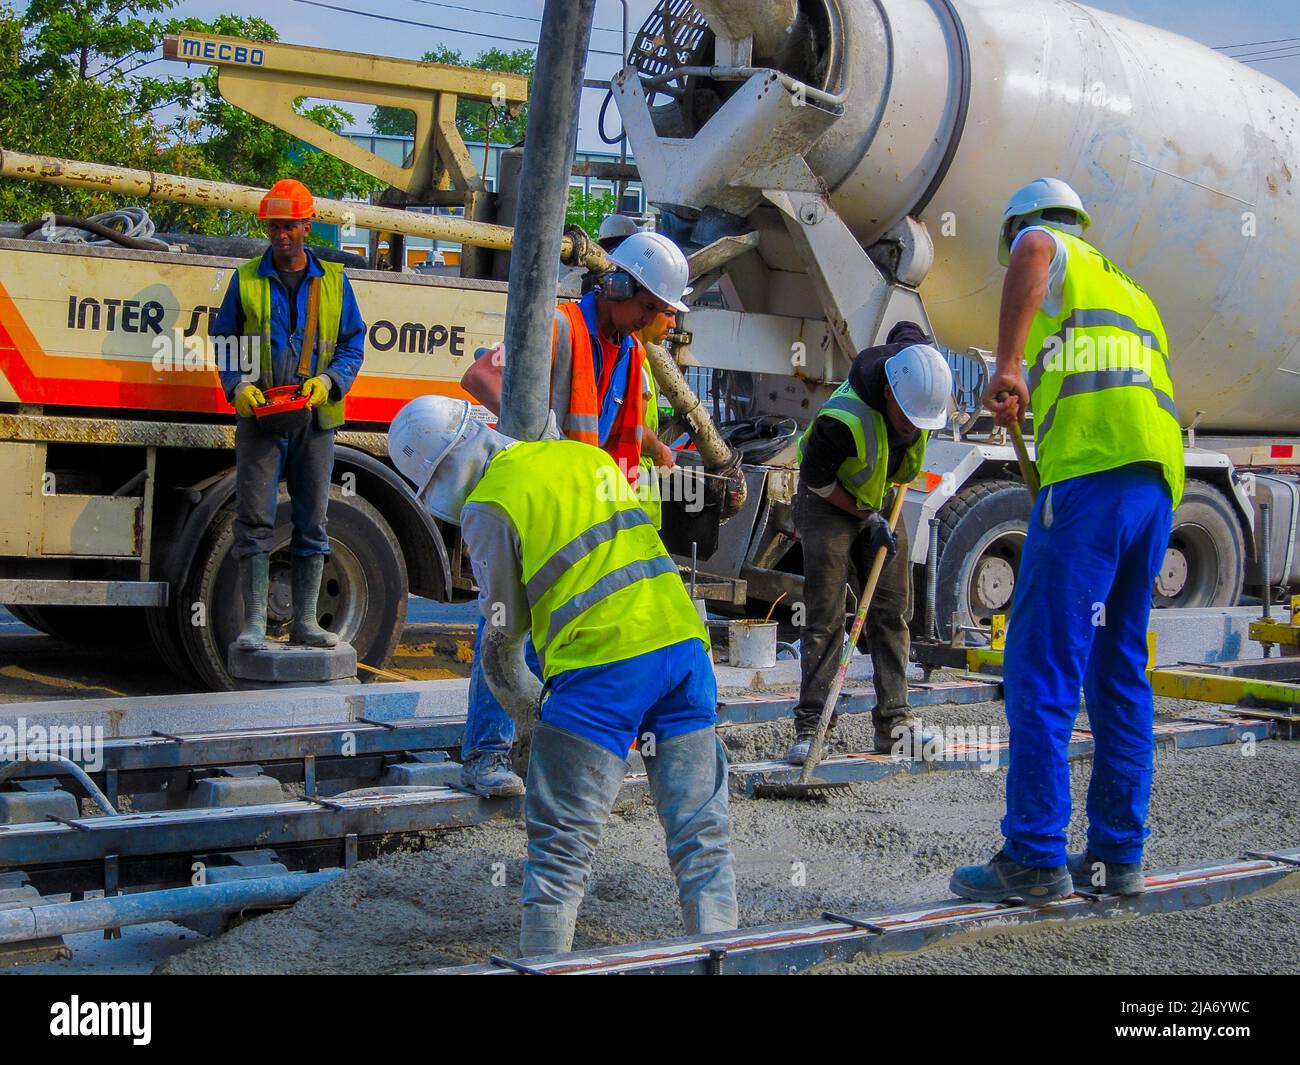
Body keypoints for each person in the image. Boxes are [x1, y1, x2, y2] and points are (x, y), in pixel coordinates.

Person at [389, 395, 737, 955]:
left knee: (560, 851)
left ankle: (545, 965)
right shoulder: (585, 457)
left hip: (603, 669)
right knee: (700, 830)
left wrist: (528, 714)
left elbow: (505, 624)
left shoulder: (488, 505)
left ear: (441, 476)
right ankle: (722, 953)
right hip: (683, 650)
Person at [950, 178, 1183, 904]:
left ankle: (1035, 854)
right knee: (1118, 671)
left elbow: (1034, 247)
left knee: (1042, 663)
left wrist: (1009, 364)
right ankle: (1118, 857)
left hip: (1091, 476)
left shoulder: (1048, 248)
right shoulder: (1134, 294)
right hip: (1153, 486)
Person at [455, 230, 692, 796]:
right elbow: (481, 376)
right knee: (505, 622)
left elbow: (620, 424)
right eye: (649, 307)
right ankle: (485, 754)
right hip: (535, 501)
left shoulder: (632, 351)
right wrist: (547, 440)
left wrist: (658, 450)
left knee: (558, 635)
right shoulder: (558, 326)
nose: (652, 320)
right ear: (615, 286)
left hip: (581, 513)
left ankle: (539, 750)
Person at [212, 179, 366, 651]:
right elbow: (224, 339)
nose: (281, 235)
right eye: (275, 227)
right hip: (261, 417)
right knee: (255, 520)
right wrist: (236, 385)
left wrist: (331, 381)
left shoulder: (335, 282)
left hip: (315, 420)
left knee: (313, 522)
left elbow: (352, 344)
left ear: (306, 225)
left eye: (290, 226)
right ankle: (254, 625)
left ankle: (304, 623)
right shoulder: (248, 278)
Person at [787, 325, 952, 763]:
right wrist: (867, 517)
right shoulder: (841, 420)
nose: (914, 428)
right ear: (888, 393)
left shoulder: (921, 396)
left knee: (891, 612)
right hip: (828, 501)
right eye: (907, 419)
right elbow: (816, 479)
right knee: (824, 616)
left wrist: (880, 514)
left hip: (880, 500)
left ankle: (895, 726)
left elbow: (907, 332)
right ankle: (812, 727)